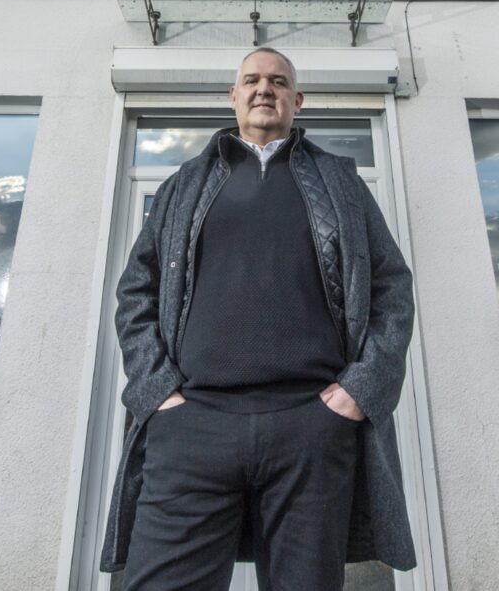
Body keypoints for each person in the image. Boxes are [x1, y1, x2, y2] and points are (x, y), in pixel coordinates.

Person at [101, 47, 417, 590]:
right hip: (193, 424)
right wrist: (159, 393)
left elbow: (392, 287)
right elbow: (136, 293)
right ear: (233, 96)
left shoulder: (341, 183)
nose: (263, 89)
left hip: (311, 426)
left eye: (277, 81)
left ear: (298, 101)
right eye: (251, 80)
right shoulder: (185, 185)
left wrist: (360, 391)